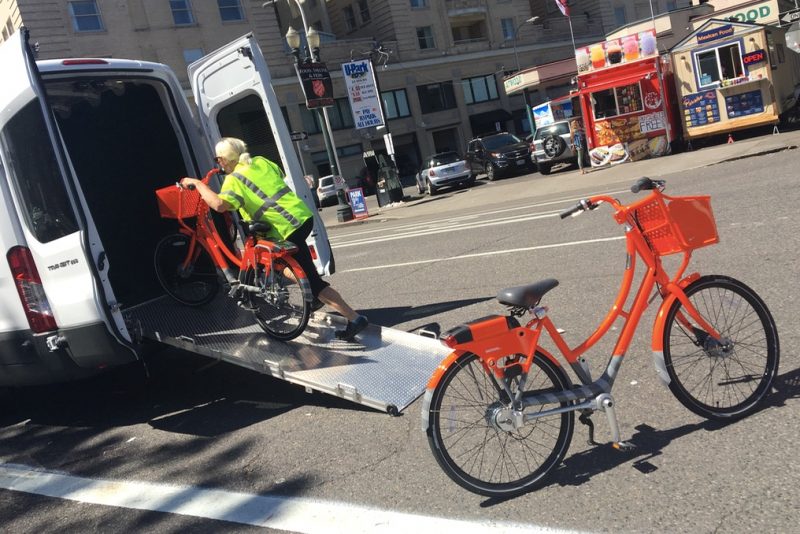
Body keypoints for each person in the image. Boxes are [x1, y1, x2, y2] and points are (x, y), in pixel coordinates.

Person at [181, 138, 368, 341]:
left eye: (219, 160)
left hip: (284, 227)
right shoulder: (260, 161)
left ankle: (353, 317)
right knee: (291, 264)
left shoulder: (233, 179)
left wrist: (198, 184)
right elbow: (276, 177)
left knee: (309, 279)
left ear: (222, 159)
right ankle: (312, 296)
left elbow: (218, 205)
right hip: (301, 218)